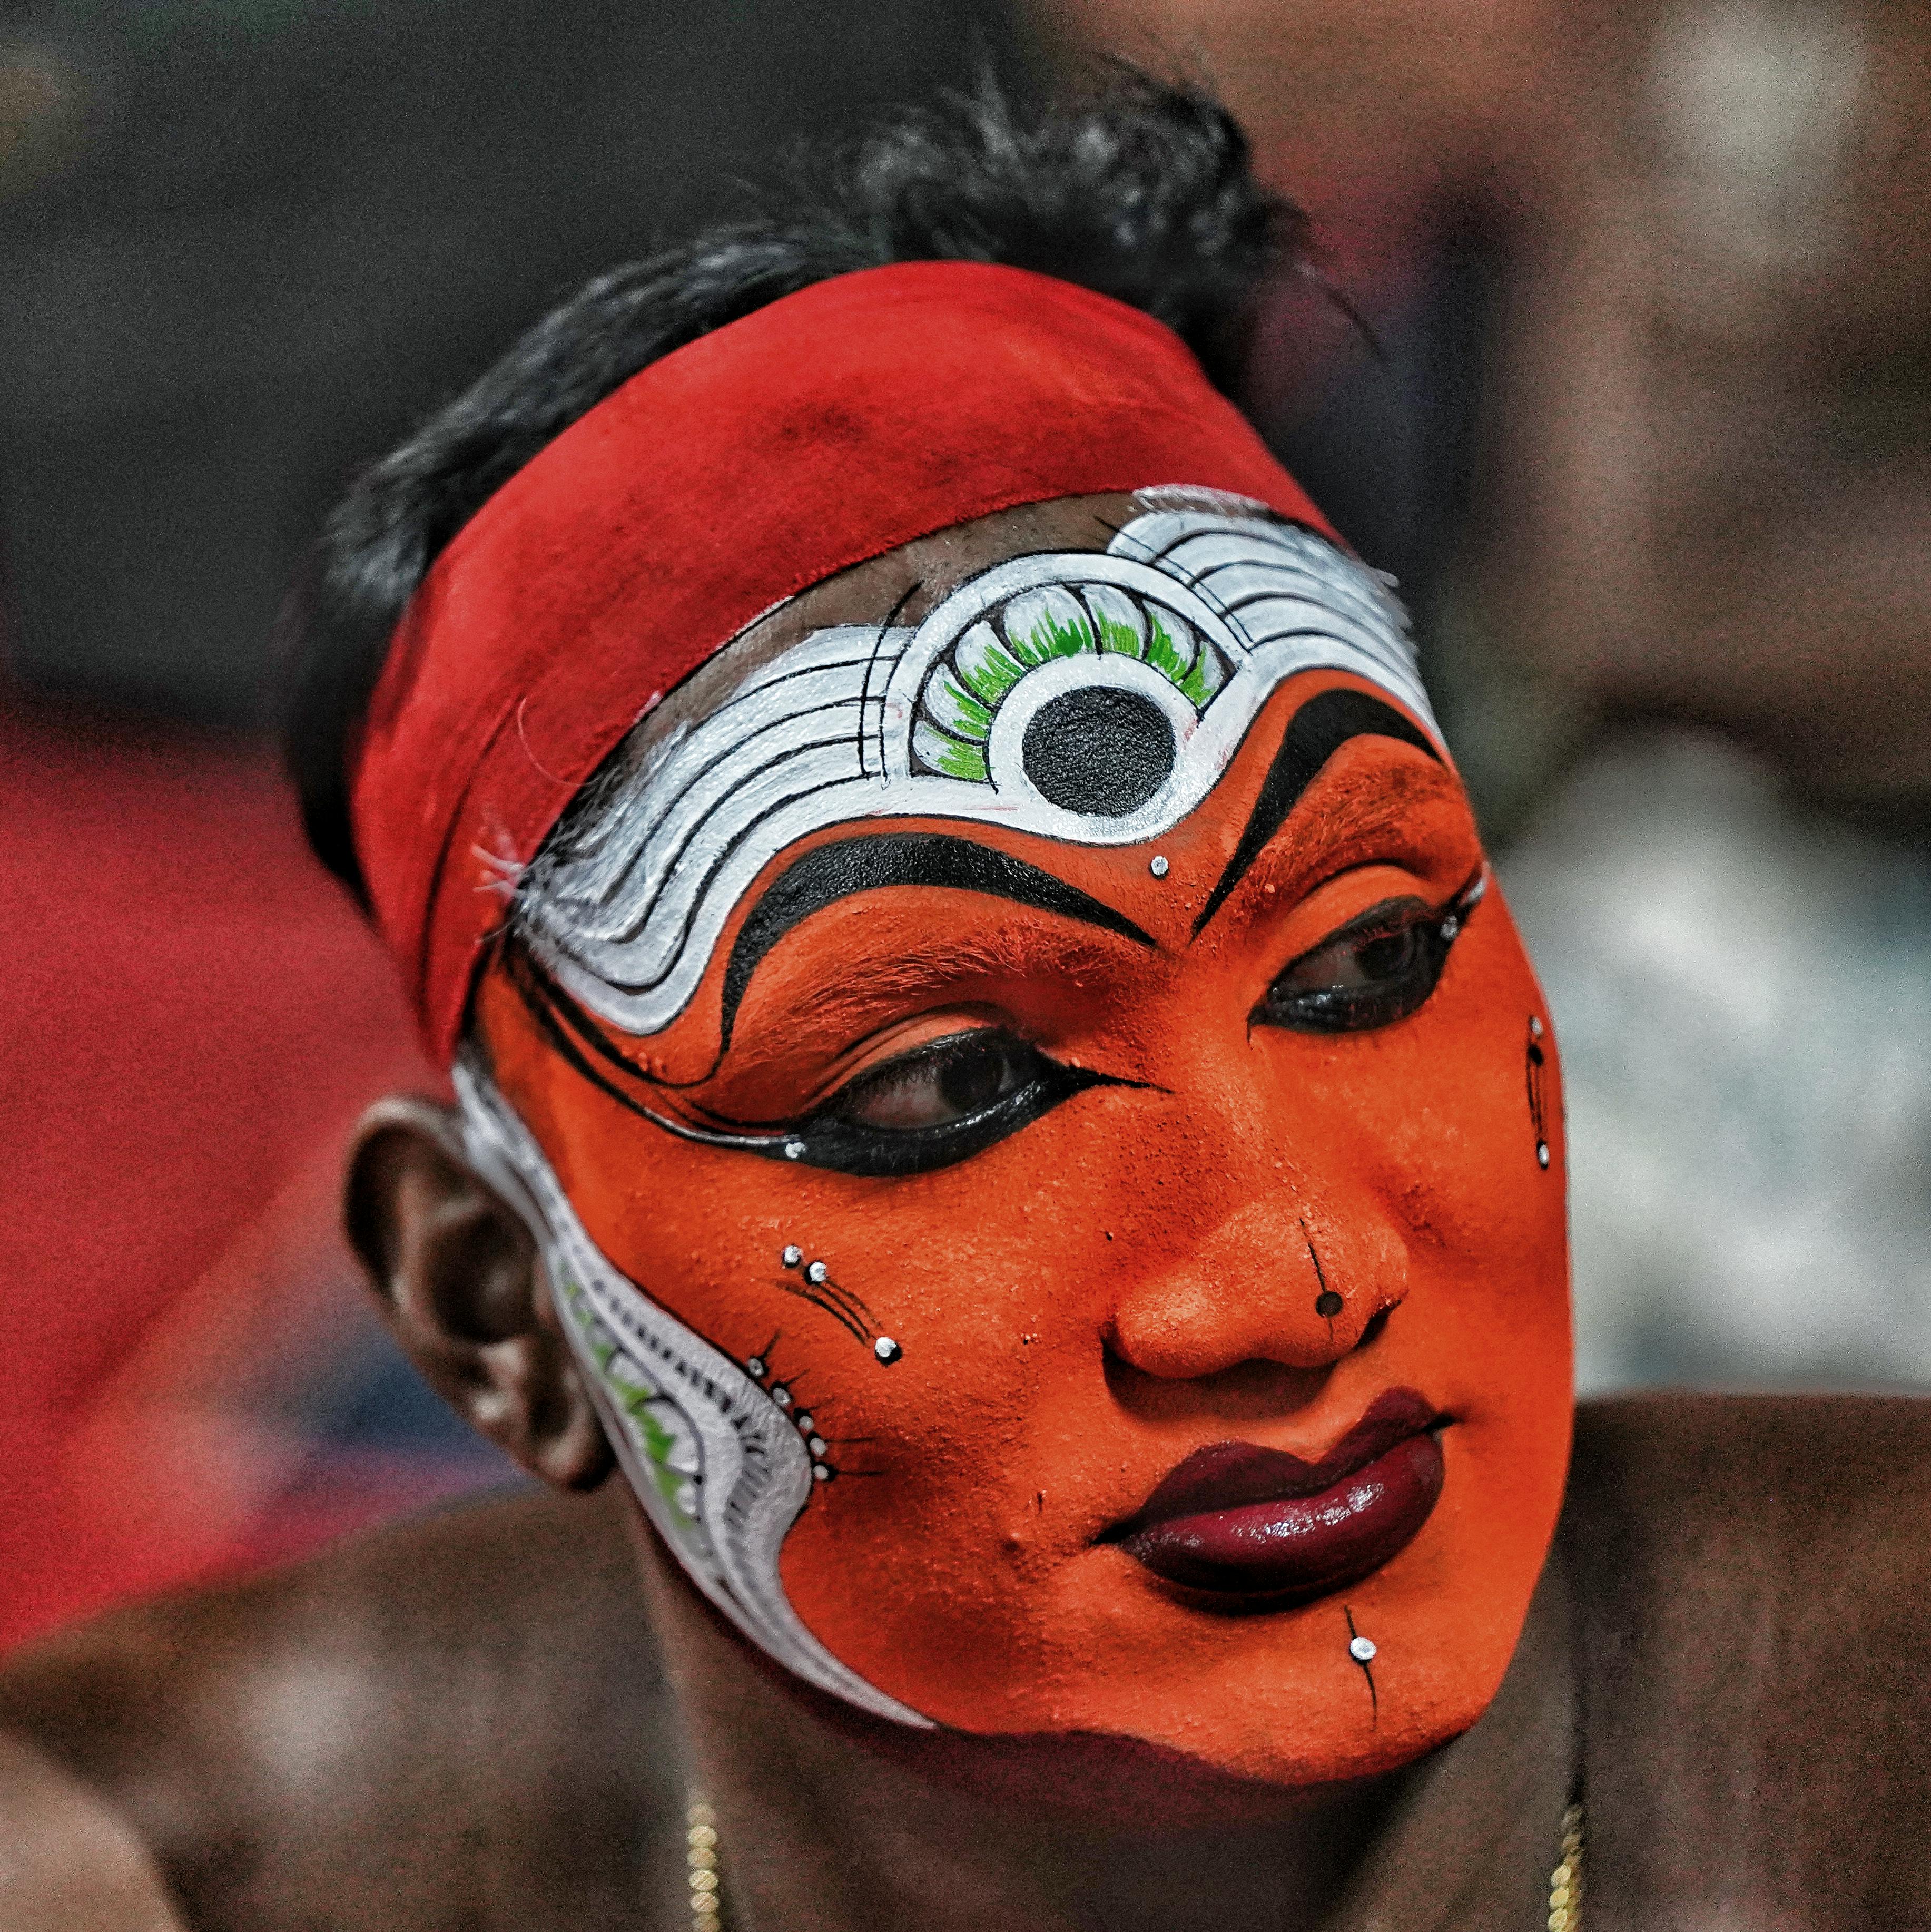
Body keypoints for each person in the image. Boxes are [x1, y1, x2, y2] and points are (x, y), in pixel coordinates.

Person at [3, 70, 1927, 1932]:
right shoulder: (158, 1869)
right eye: (945, 1084)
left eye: (1363, 962)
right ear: (494, 1298)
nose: (1294, 1273)